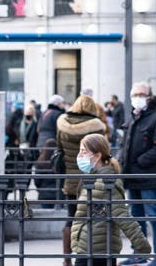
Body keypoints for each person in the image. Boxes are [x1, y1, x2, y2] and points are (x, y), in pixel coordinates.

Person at [71, 133, 151, 266]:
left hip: (97, 249)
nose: (79, 156)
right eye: (80, 151)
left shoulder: (106, 183)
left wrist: (142, 246)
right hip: (88, 246)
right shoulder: (92, 178)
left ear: (97, 155)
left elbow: (122, 216)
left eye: (84, 152)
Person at [118, 81, 156, 266]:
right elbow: (125, 144)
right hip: (130, 176)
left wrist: (140, 161)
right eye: (135, 95)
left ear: (149, 97)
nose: (137, 98)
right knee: (136, 216)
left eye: (141, 94)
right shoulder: (133, 117)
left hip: (147, 175)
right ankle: (139, 253)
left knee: (153, 214)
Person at [57, 94, 107, 266]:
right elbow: (103, 154)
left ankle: (67, 258)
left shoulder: (62, 125)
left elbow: (59, 151)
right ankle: (86, 256)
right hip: (91, 181)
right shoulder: (97, 126)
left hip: (70, 182)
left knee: (71, 218)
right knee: (91, 219)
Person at [33, 138, 63, 208]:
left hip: (44, 195)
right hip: (58, 195)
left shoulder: (40, 162)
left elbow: (37, 181)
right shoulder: (59, 162)